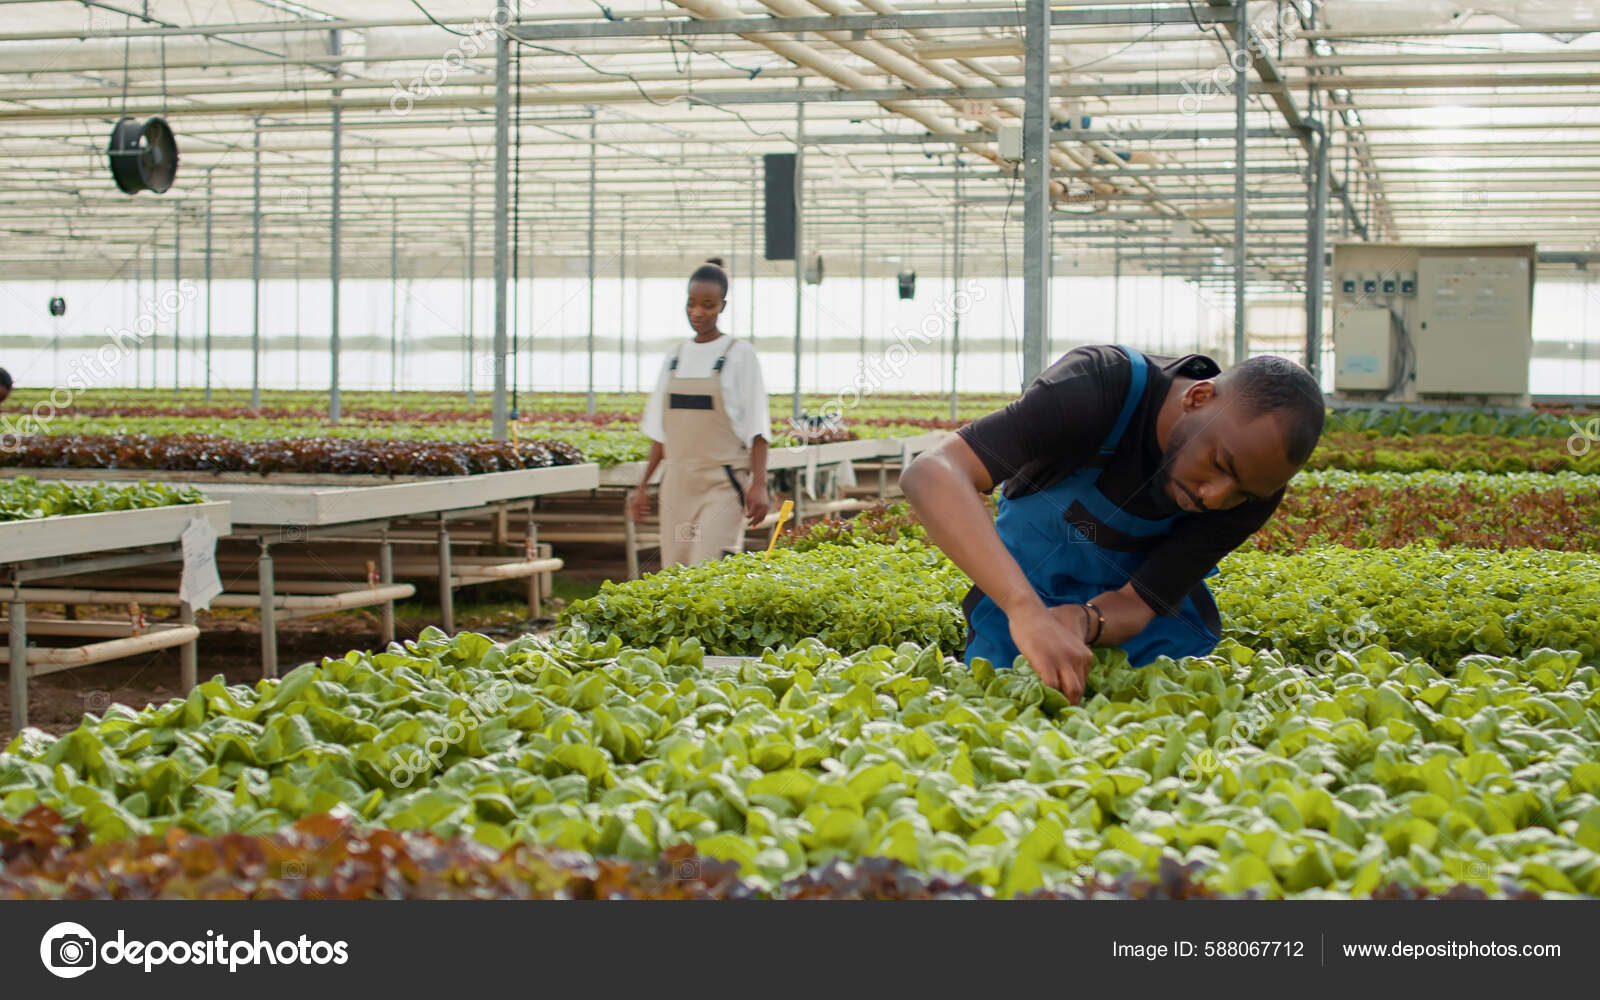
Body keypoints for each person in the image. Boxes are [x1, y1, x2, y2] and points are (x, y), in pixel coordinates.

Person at [902, 344, 1324, 703]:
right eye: (1218, 463)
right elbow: (933, 473)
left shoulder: (1258, 485)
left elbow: (1139, 602)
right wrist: (1025, 610)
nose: (1216, 497)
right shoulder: (1097, 386)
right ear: (1197, 398)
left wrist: (1083, 623)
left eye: (1242, 493)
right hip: (1020, 592)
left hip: (1141, 631)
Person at [628, 258, 771, 567]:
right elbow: (661, 434)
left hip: (721, 481)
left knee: (708, 566)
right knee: (675, 570)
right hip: (678, 483)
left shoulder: (739, 355)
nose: (697, 312)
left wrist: (759, 485)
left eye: (708, 305)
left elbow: (758, 429)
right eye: (691, 303)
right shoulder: (674, 356)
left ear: (722, 306)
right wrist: (642, 487)